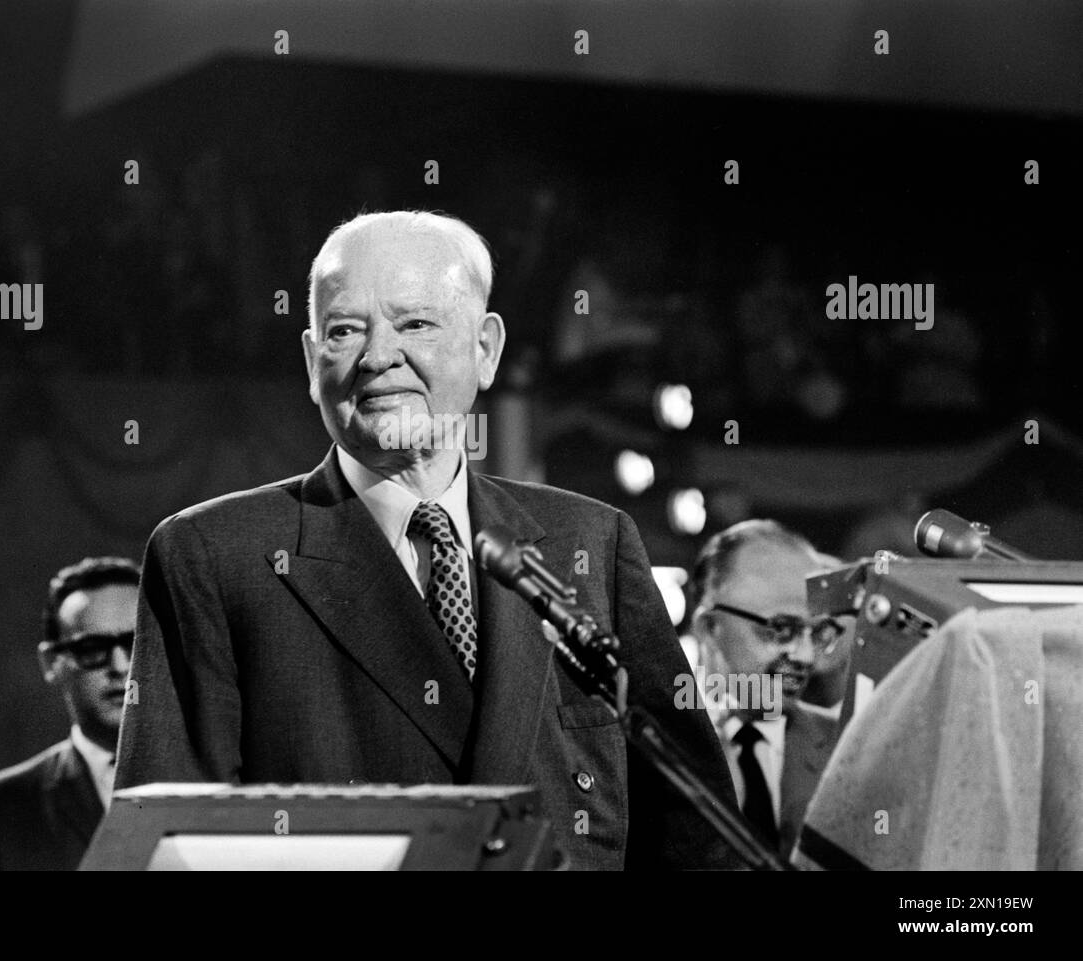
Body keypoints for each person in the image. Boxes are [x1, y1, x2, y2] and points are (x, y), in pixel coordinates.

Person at [114, 210, 739, 870]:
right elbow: (161, 849)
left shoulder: (593, 542)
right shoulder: (214, 555)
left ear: (486, 348)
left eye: (414, 323)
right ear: (309, 360)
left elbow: (696, 837)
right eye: (345, 330)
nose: (378, 356)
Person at [0, 557, 140, 870]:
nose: (120, 666)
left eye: (137, 644)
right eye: (91, 648)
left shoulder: (225, 782)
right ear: (51, 663)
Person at [689, 520, 847, 859]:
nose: (805, 657)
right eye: (781, 629)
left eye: (816, 632)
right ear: (710, 628)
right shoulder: (652, 748)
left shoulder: (847, 749)